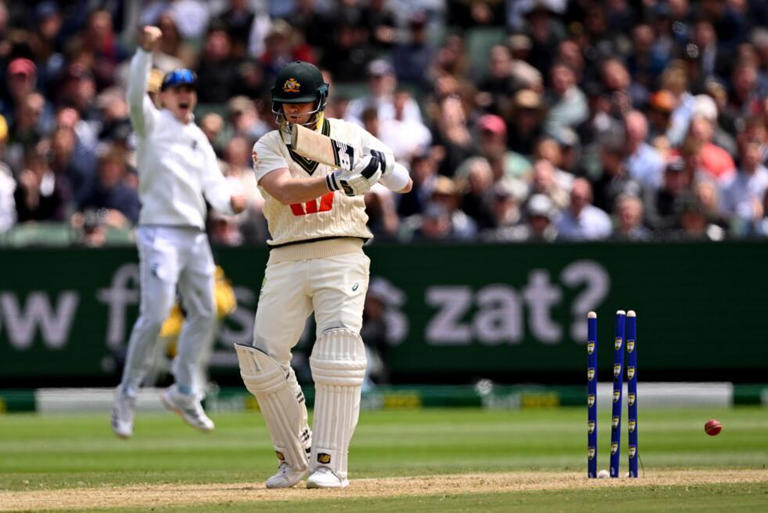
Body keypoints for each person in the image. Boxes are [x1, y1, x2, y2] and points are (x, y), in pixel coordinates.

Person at [233, 60, 412, 490]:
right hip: (286, 256)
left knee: (337, 351)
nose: (293, 111)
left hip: (341, 251)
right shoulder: (267, 145)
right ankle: (294, 460)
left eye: (301, 103)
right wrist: (336, 179)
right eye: (286, 104)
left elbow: (403, 182)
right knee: (261, 361)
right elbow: (284, 190)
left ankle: (330, 464)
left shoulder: (350, 135)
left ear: (320, 101)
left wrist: (376, 164)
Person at [111, 26, 247, 439]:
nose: (185, 94)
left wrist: (231, 204)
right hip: (159, 234)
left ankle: (185, 390)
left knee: (205, 311)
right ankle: (127, 394)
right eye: (176, 89)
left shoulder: (197, 137)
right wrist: (144, 52)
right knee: (154, 316)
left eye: (189, 89)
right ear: (164, 96)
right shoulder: (150, 125)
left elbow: (213, 186)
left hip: (195, 236)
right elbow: (134, 95)